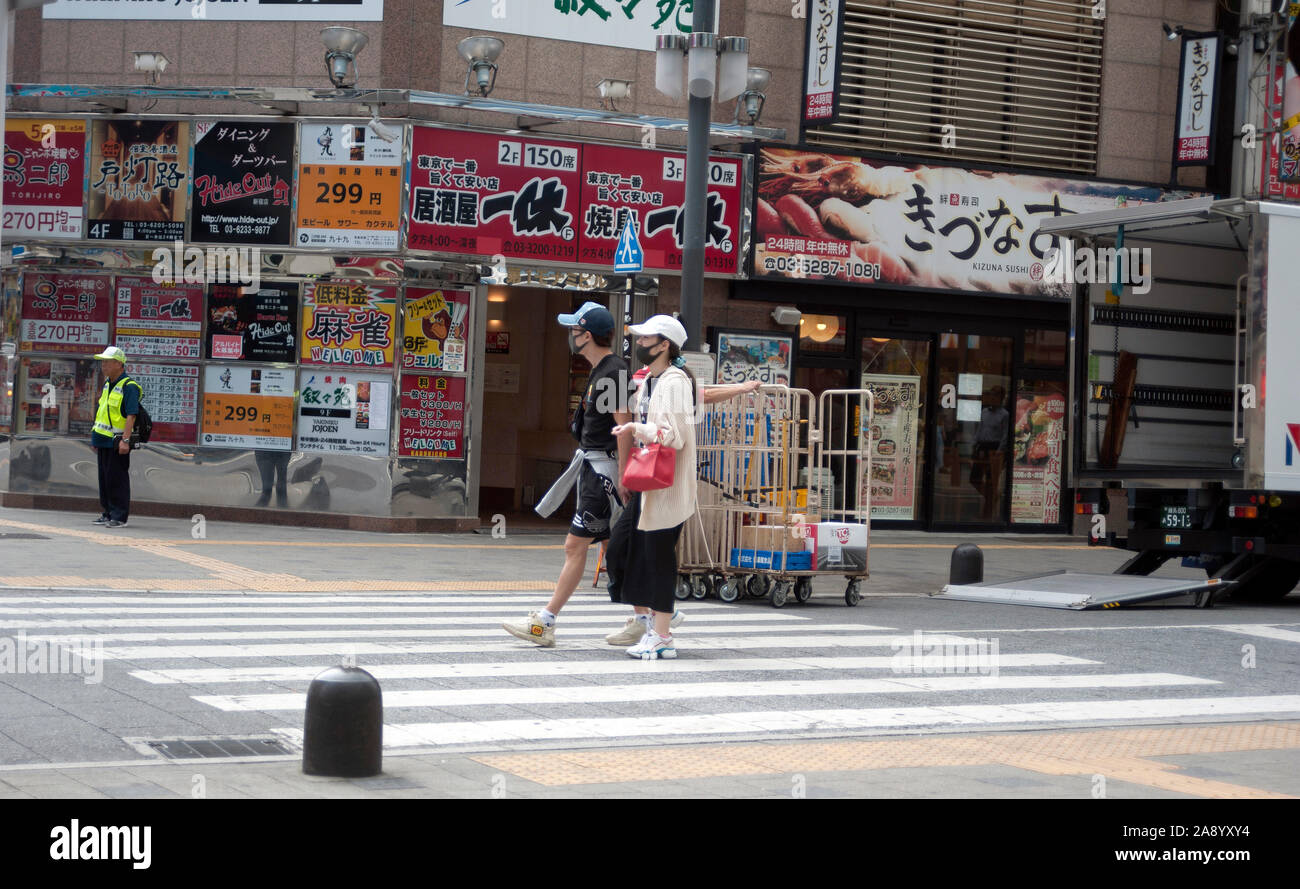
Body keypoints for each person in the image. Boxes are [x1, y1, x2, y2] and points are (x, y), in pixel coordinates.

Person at [503, 301, 643, 647]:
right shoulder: (604, 370)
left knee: (574, 546)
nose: (570, 336)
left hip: (603, 472)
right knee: (615, 549)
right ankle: (648, 616)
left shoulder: (613, 372)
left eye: (574, 330)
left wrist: (624, 476)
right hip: (596, 468)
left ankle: (545, 621)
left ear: (587, 335)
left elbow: (623, 427)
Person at [605, 315, 699, 660]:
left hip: (667, 486)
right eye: (639, 337)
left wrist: (636, 430)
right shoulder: (652, 381)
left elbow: (675, 435)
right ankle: (658, 615)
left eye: (647, 339)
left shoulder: (675, 382)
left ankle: (662, 635)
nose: (640, 343)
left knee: (657, 558)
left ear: (665, 345)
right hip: (650, 482)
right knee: (621, 549)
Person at [90, 346, 141, 529]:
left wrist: (125, 440)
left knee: (117, 478)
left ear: (119, 364)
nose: (103, 365)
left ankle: (119, 516)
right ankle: (108, 513)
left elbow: (131, 415)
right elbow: (102, 413)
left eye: (107, 362)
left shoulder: (129, 386)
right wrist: (94, 438)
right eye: (102, 361)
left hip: (117, 440)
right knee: (104, 479)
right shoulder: (107, 384)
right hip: (102, 438)